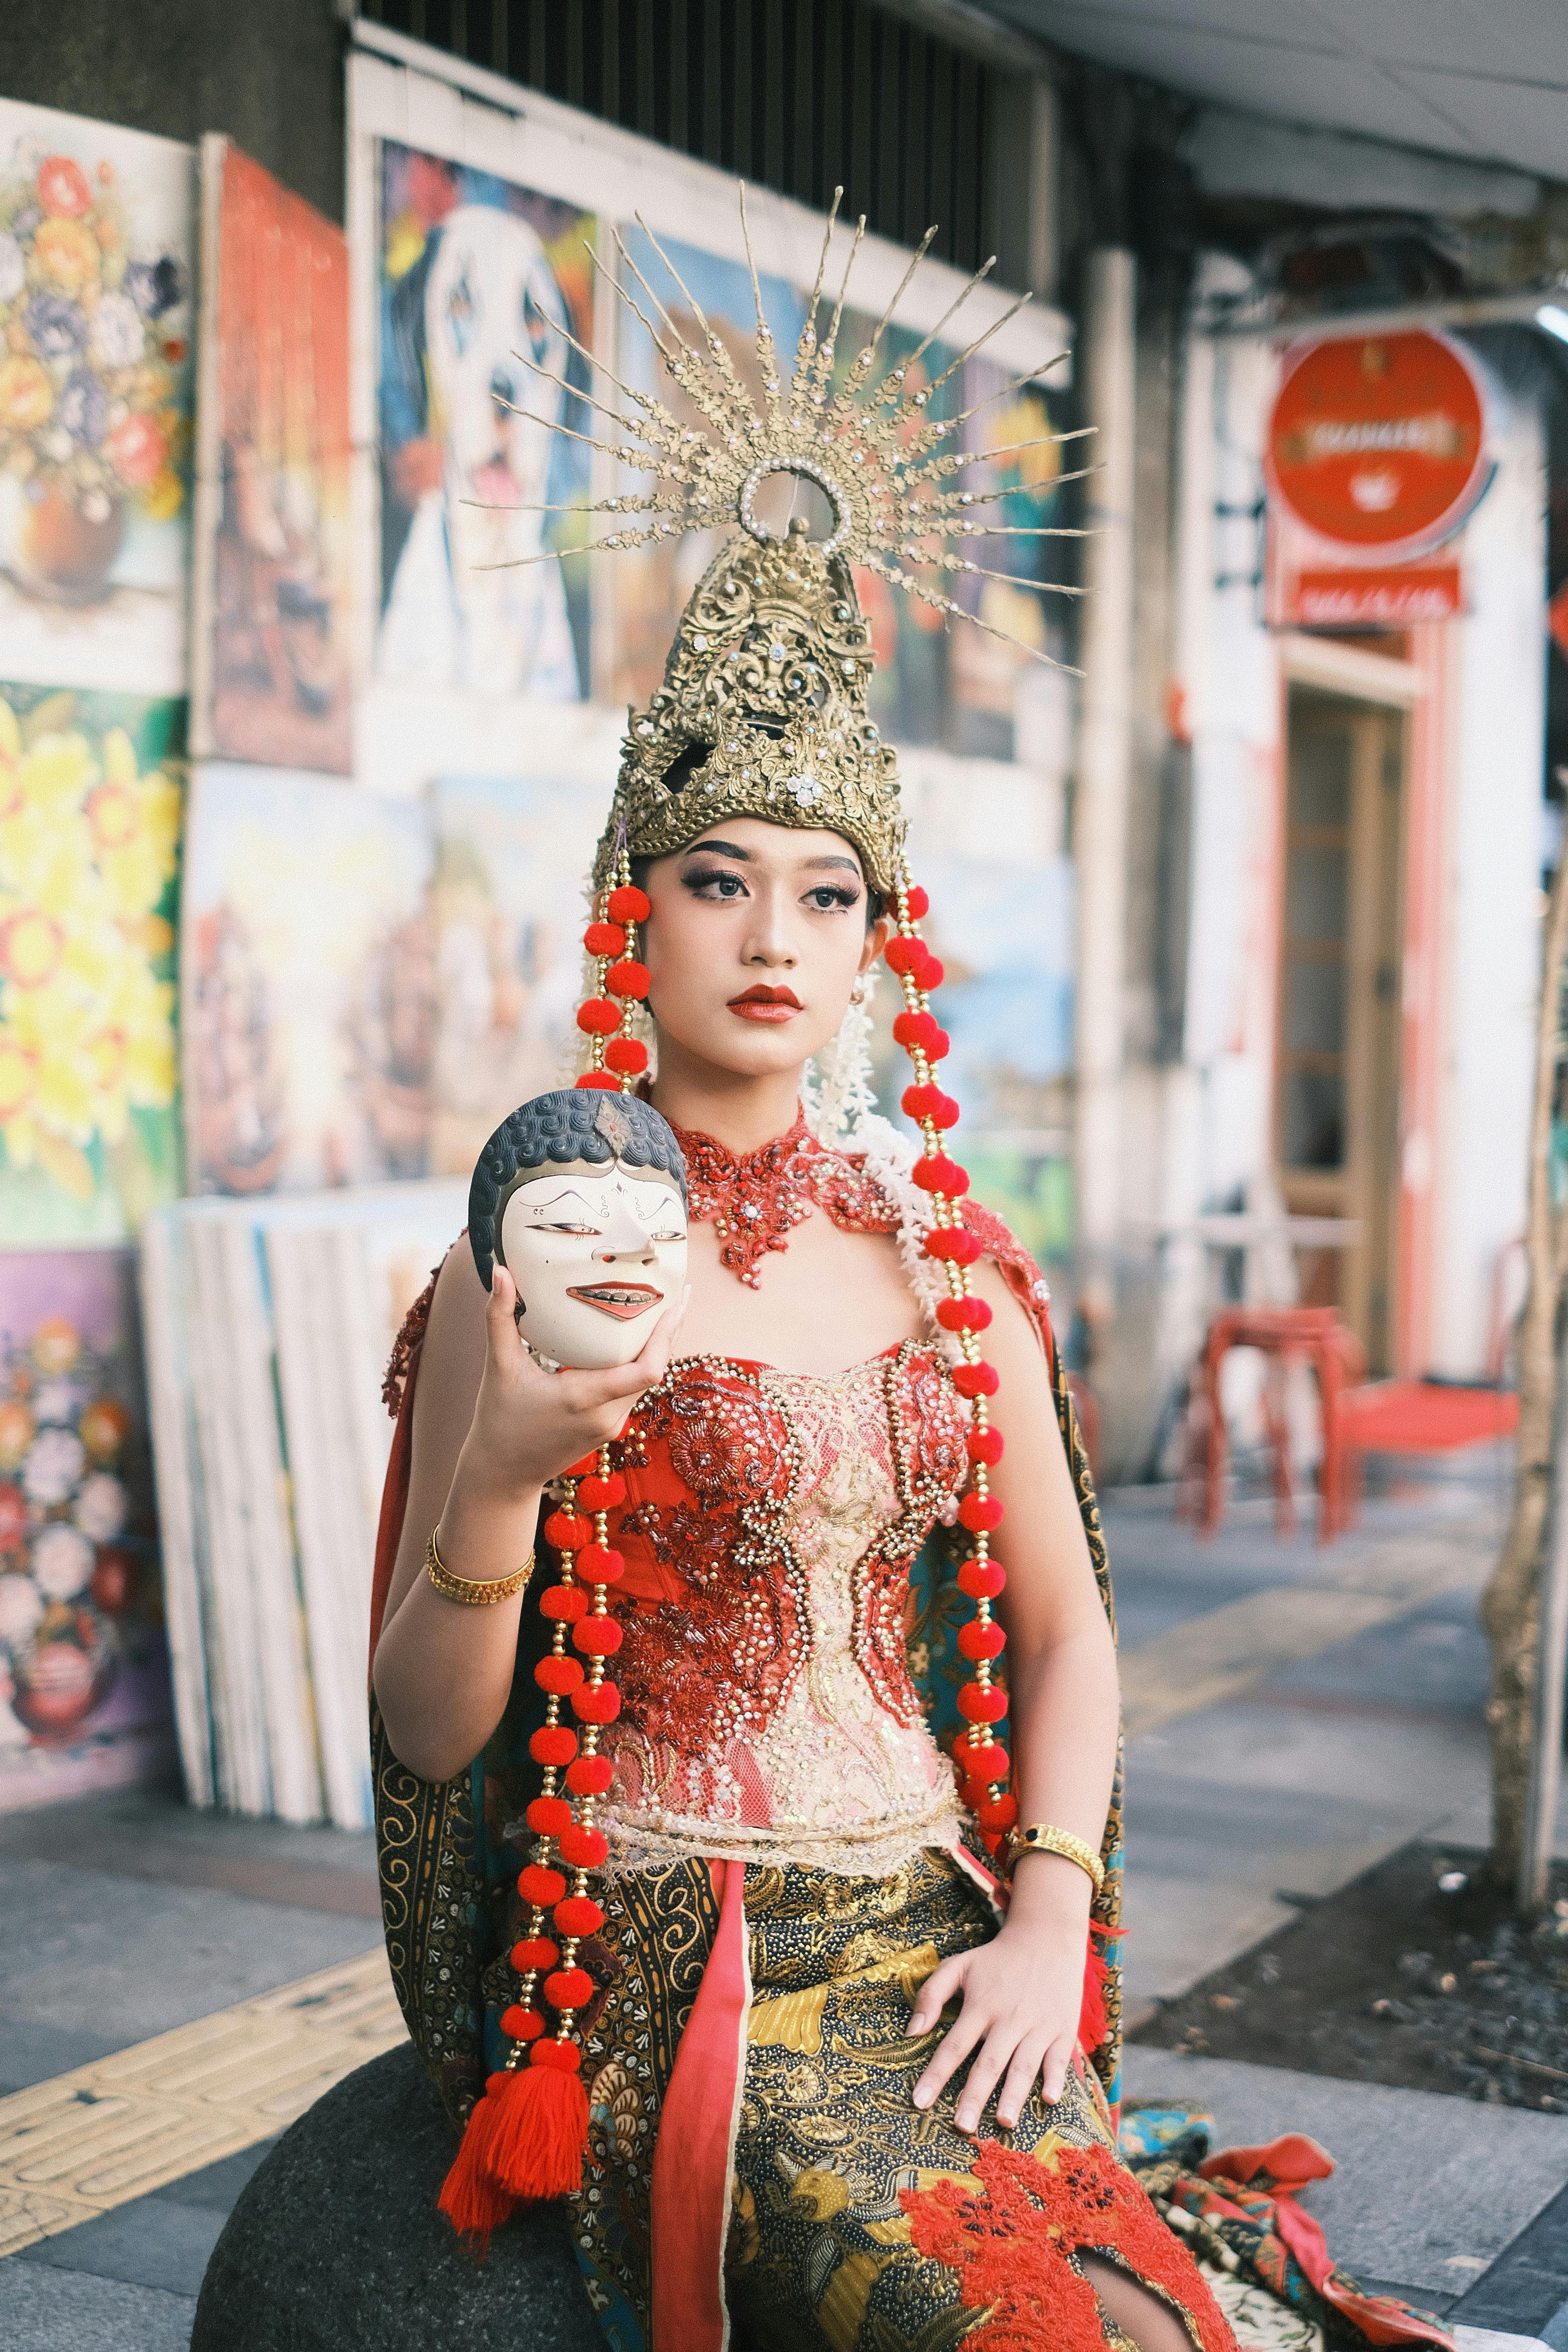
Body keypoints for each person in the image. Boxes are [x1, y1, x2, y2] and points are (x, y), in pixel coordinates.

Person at [367, 194, 1452, 2352]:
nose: (775, 940)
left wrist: (1049, 1915)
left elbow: (1066, 1629)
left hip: (952, 1937)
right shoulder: (537, 1257)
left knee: (1200, 2329)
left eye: (830, 897)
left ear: (879, 950)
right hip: (690, 1969)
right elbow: (425, 1733)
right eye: (719, 882)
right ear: (634, 918)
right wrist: (501, 1478)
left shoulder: (956, 1270)